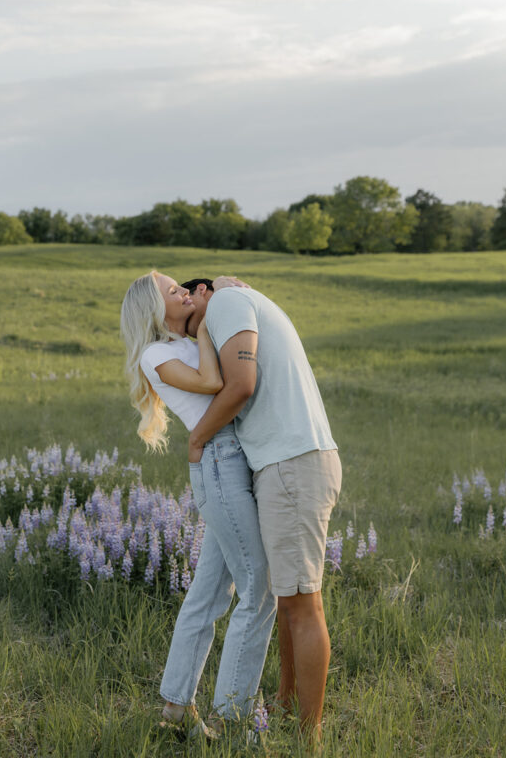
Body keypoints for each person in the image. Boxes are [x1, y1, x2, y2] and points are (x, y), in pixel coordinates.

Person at [181, 277, 342, 743]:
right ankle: (288, 703)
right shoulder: (236, 303)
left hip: (290, 464)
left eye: (189, 304)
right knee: (292, 599)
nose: (192, 329)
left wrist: (196, 440)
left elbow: (243, 384)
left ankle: (307, 736)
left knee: (302, 604)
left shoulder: (227, 302)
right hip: (290, 462)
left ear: (205, 291)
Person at [120, 271, 276, 738]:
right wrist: (208, 328)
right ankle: (234, 717)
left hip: (231, 456)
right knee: (258, 586)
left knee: (209, 594)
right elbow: (213, 381)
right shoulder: (156, 355)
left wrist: (229, 295)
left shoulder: (183, 340)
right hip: (218, 462)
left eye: (183, 287)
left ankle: (174, 709)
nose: (185, 292)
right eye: (174, 292)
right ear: (154, 310)